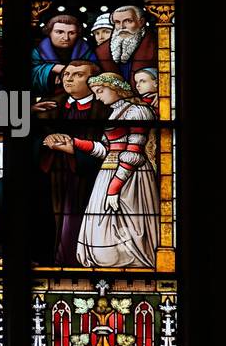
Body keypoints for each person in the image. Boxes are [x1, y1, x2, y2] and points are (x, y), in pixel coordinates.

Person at [44, 73, 159, 268]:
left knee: (130, 225)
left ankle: (133, 264)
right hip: (109, 172)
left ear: (115, 89)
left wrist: (114, 188)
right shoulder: (115, 112)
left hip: (131, 176)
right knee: (101, 227)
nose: (97, 97)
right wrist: (73, 142)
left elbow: (133, 154)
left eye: (100, 91)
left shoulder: (138, 111)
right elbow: (105, 149)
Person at [31, 14, 97, 99]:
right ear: (49, 32)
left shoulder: (87, 52)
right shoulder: (37, 52)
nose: (66, 38)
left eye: (71, 33)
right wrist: (53, 68)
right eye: (59, 32)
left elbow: (96, 77)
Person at [95, 5, 157, 82]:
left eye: (128, 21)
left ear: (141, 22)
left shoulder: (157, 45)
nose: (122, 27)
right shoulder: (101, 51)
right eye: (117, 22)